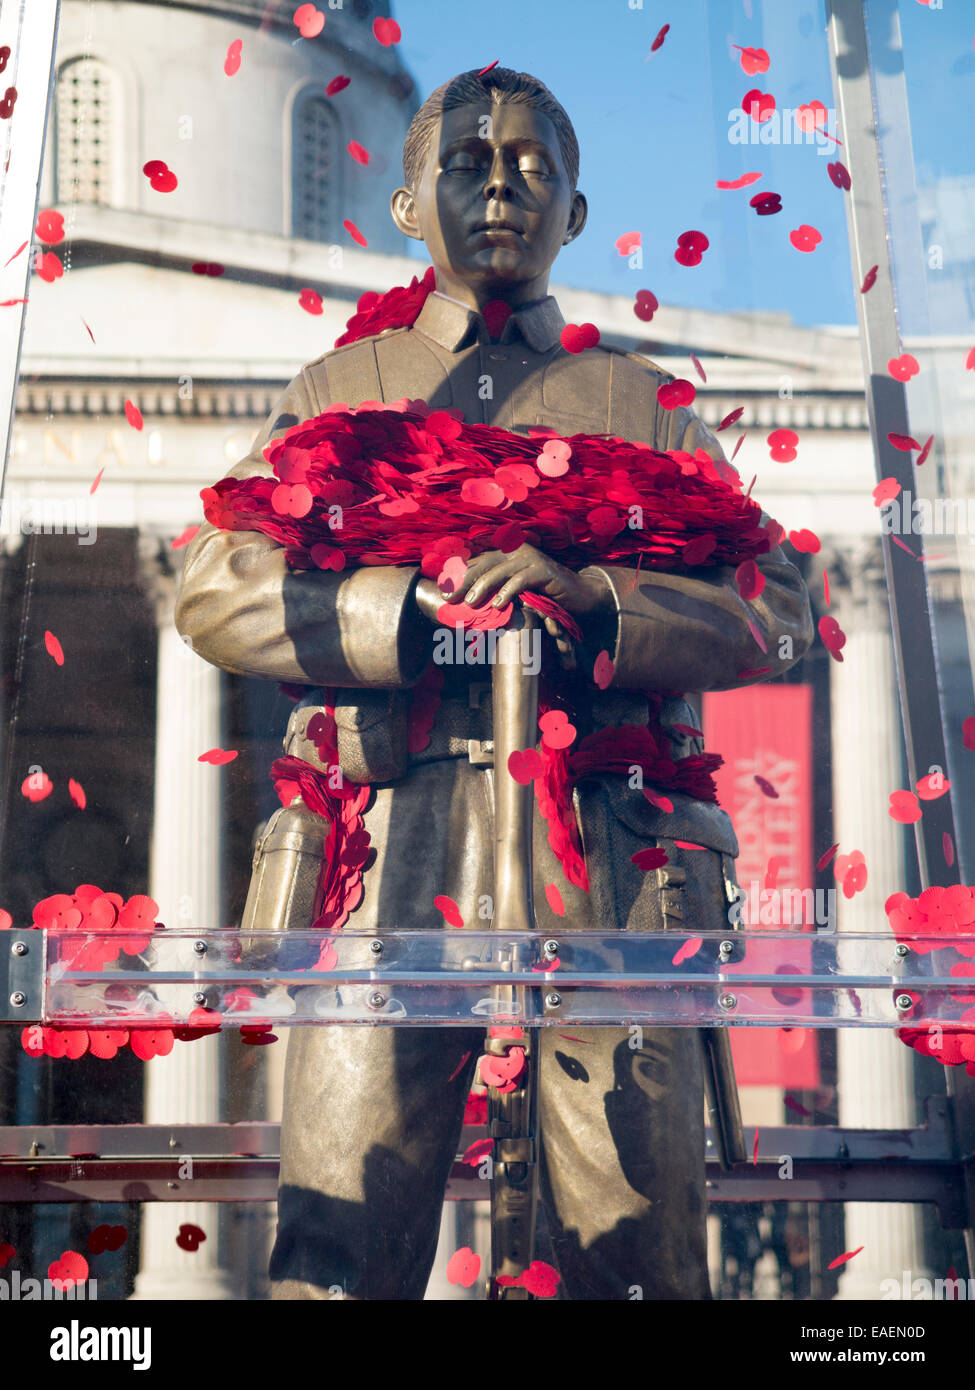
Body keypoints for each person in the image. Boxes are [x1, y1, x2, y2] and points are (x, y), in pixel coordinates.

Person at [175, 67, 814, 1300]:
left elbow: (774, 612)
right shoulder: (341, 390)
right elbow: (213, 581)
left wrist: (595, 594)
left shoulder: (647, 406)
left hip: (614, 863)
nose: (503, 187)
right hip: (390, 850)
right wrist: (397, 610)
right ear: (410, 203)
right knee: (340, 1237)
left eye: (534, 165)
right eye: (468, 164)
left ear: (576, 212)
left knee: (633, 1251)